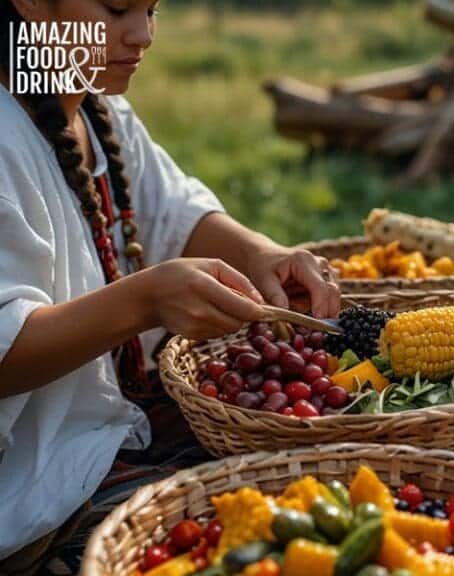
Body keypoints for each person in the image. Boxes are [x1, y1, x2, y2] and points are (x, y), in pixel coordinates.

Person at [0, 0, 340, 571]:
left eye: (152, 10)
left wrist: (261, 252)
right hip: (41, 480)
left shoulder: (96, 111)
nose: (144, 35)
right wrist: (145, 301)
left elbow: (174, 215)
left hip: (126, 422)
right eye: (116, 9)